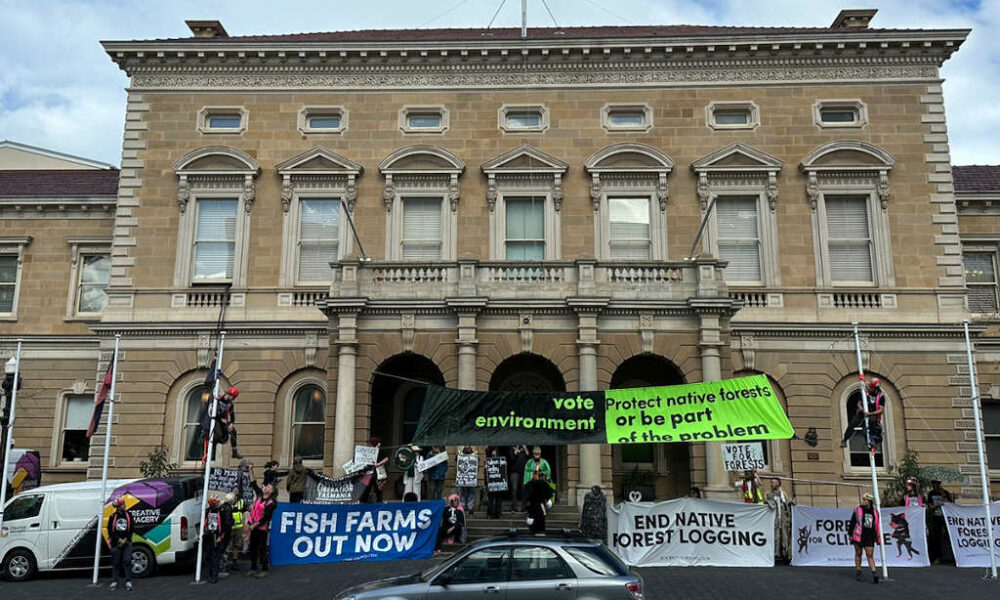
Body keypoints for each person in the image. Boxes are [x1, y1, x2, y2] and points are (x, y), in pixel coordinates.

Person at [841, 376, 885, 452]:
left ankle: (872, 441)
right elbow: (859, 404)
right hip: (862, 412)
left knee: (869, 426)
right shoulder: (864, 393)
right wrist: (862, 409)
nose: (869, 388)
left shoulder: (881, 396)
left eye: (871, 387)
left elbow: (881, 410)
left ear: (876, 389)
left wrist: (870, 413)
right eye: (870, 386)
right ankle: (845, 440)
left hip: (873, 414)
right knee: (853, 423)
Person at [202, 386, 243, 460]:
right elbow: (212, 411)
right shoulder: (217, 399)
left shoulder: (230, 404)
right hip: (216, 419)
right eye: (229, 395)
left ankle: (234, 452)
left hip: (223, 420)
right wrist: (221, 419)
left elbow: (232, 415)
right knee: (217, 435)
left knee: (233, 431)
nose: (229, 397)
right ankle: (209, 453)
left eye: (231, 397)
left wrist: (231, 423)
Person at [848, 493, 881, 584]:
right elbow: (852, 523)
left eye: (865, 500)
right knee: (858, 553)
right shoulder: (858, 510)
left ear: (869, 501)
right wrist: (850, 534)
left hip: (870, 535)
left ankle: (874, 573)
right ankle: (858, 571)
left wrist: (877, 538)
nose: (863, 501)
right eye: (863, 500)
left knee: (870, 555)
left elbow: (876, 525)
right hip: (859, 535)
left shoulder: (874, 512)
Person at [246, 483, 277, 578]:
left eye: (269, 487)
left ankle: (264, 569)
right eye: (266, 486)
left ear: (271, 492)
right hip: (253, 526)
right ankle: (253, 568)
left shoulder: (271, 503)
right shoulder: (259, 497)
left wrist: (254, 525)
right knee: (253, 548)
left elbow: (266, 518)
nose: (266, 487)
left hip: (261, 528)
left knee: (262, 549)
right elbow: (253, 484)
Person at [106, 497, 134, 591]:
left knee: (127, 561)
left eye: (124, 503)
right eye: (122, 504)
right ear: (118, 507)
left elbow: (132, 528)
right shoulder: (112, 517)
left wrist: (126, 539)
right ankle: (115, 581)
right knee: (116, 562)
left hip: (127, 542)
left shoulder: (128, 515)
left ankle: (128, 581)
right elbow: (110, 531)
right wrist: (118, 539)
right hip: (116, 543)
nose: (124, 505)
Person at [925, 480, 954, 564]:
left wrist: (944, 496)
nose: (935, 485)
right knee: (936, 537)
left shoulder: (945, 493)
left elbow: (950, 504)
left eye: (937, 484)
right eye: (933, 484)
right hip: (935, 517)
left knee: (946, 536)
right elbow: (929, 506)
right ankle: (937, 556)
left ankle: (949, 556)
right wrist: (936, 505)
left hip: (944, 517)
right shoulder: (931, 494)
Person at [766, 478, 792, 563]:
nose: (771, 484)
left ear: (778, 483)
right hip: (775, 519)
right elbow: (766, 503)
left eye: (773, 482)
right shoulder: (769, 494)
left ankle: (785, 554)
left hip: (783, 519)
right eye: (771, 482)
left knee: (785, 536)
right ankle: (776, 554)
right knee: (776, 537)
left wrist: (790, 503)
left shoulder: (783, 494)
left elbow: (787, 504)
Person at [201, 496, 226, 583]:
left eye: (214, 503)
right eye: (211, 503)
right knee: (208, 556)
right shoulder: (208, 511)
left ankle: (214, 576)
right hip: (208, 536)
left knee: (215, 557)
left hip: (217, 536)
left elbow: (225, 525)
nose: (212, 504)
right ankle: (210, 574)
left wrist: (221, 536)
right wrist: (202, 533)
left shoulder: (221, 512)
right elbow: (204, 522)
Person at [229, 484, 247, 571]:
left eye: (237, 490)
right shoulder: (228, 500)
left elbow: (243, 513)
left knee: (236, 545)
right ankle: (224, 562)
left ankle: (234, 562)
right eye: (234, 490)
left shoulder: (241, 501)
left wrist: (243, 525)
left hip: (238, 526)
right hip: (229, 527)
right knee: (228, 544)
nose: (236, 492)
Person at [484, 446, 506, 519]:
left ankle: (498, 513)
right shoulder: (487, 461)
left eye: (495, 454)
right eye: (493, 454)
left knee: (498, 499)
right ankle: (490, 513)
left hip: (498, 483)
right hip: (490, 482)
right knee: (490, 499)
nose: (494, 455)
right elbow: (486, 474)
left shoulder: (501, 461)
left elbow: (503, 472)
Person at [457, 445, 478, 514]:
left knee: (471, 493)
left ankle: (470, 507)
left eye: (468, 446)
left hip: (471, 477)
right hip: (462, 478)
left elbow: (477, 463)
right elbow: (457, 461)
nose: (467, 447)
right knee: (461, 492)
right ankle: (462, 506)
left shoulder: (474, 455)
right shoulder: (460, 454)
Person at [509, 445, 529, 511]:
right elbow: (512, 458)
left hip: (524, 472)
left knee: (524, 489)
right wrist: (516, 449)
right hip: (514, 472)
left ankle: (524, 507)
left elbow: (529, 456)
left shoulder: (525, 447)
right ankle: (514, 507)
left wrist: (525, 448)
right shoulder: (511, 447)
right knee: (514, 489)